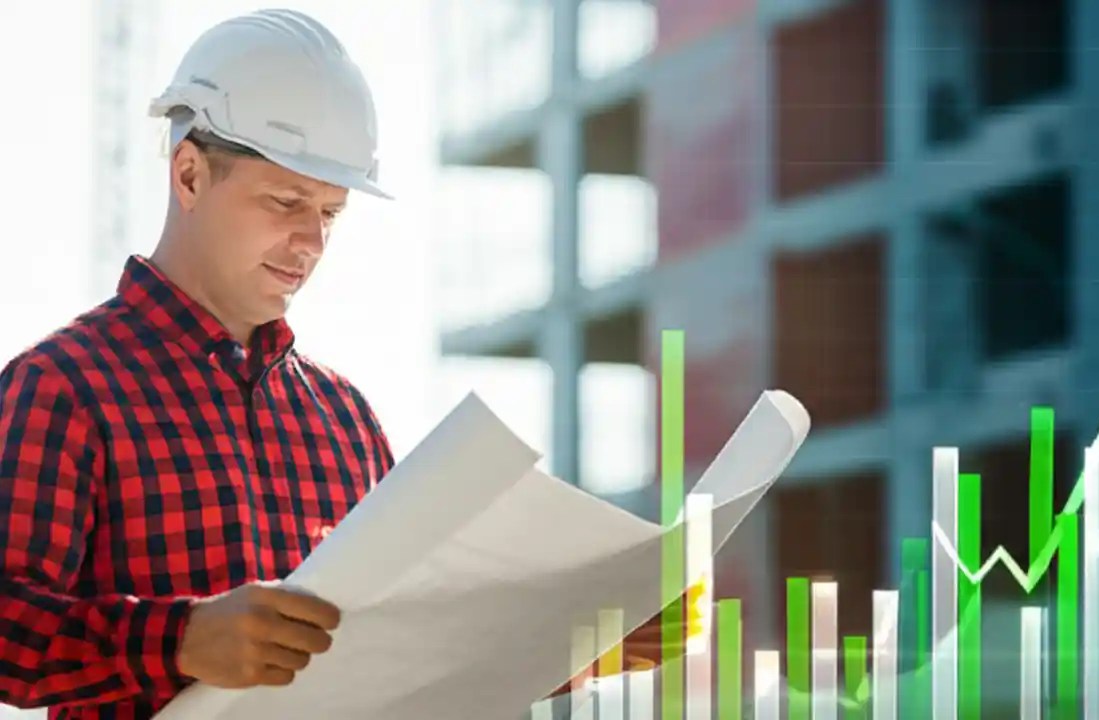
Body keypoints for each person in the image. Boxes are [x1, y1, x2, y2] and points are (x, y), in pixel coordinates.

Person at [0, 9, 686, 719]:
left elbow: (402, 655)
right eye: (286, 201)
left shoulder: (343, 418)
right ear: (190, 174)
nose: (310, 241)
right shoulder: (64, 389)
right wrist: (179, 641)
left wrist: (569, 647)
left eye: (330, 212)